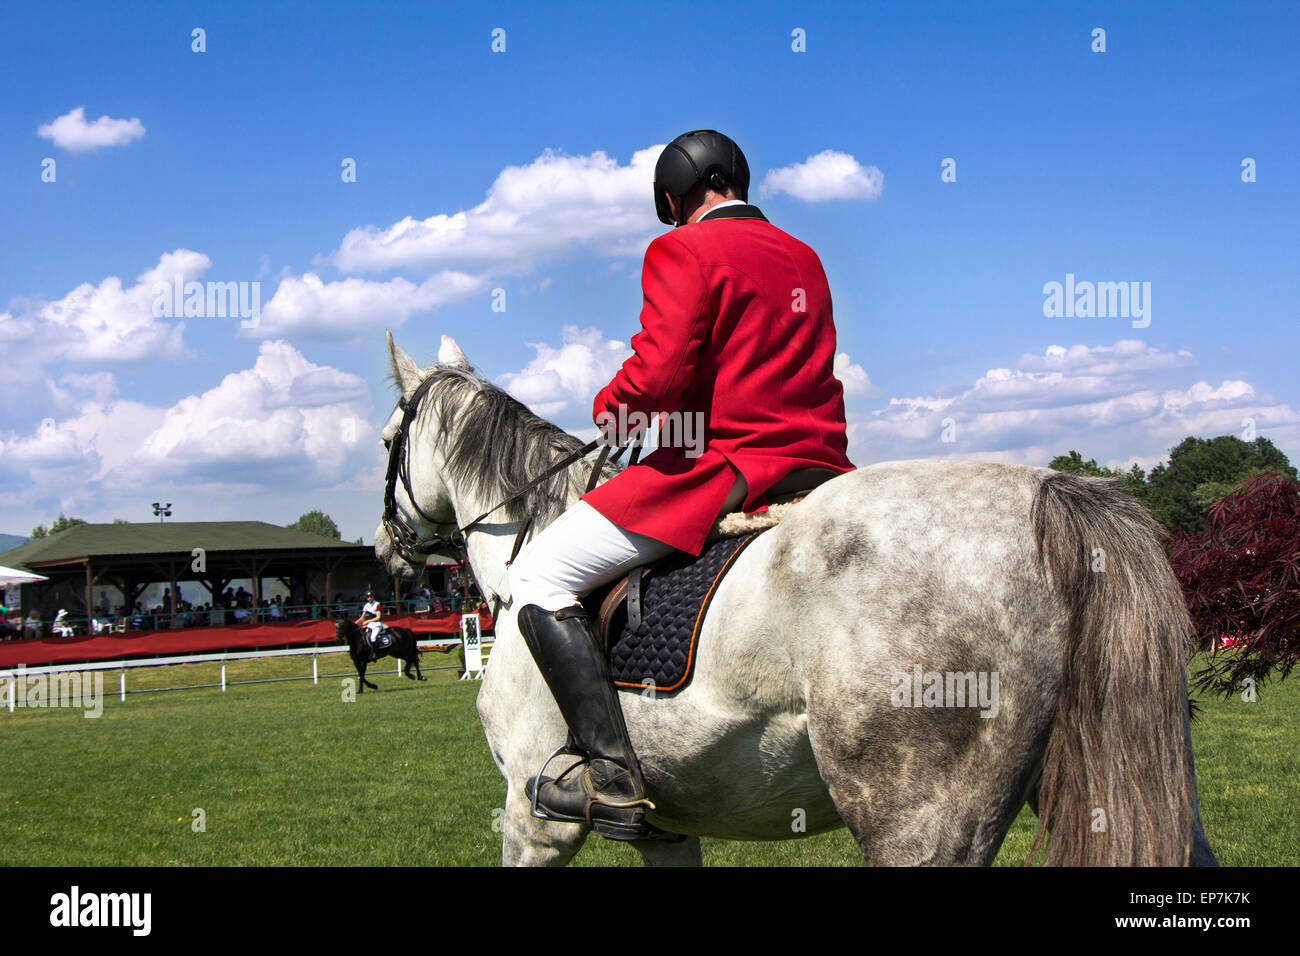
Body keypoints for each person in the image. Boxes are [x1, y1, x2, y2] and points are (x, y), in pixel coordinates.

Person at [507, 129, 855, 839]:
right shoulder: (805, 256)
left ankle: (609, 775)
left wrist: (613, 408)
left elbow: (659, 375)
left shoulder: (681, 248)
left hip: (727, 466)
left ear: (671, 197)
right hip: (820, 465)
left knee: (539, 573)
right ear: (738, 179)